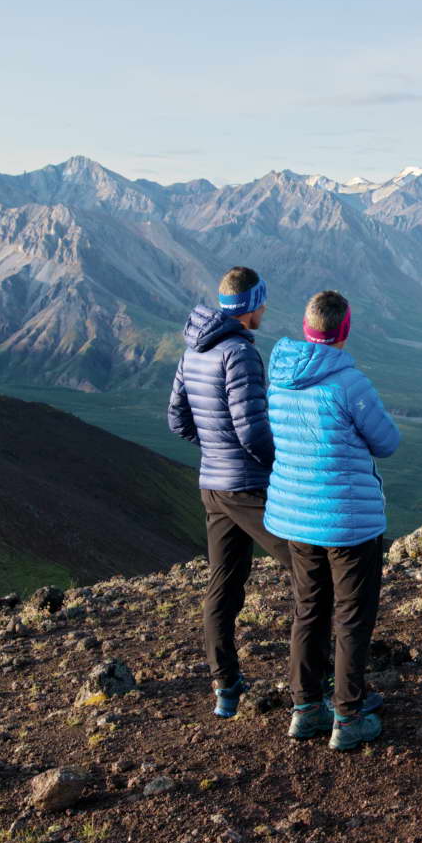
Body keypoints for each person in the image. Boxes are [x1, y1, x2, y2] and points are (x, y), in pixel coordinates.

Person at [264, 290, 400, 751]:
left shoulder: (279, 378)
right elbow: (386, 442)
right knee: (352, 617)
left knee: (309, 611)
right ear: (343, 331)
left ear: (306, 328)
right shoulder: (349, 383)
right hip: (348, 522)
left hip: (295, 517)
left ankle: (306, 711)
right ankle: (348, 715)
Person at [166, 265, 289, 719]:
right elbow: (253, 431)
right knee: (311, 573)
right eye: (262, 301)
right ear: (252, 306)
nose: (265, 309)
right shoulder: (239, 353)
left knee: (224, 584)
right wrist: (282, 468)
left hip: (212, 486)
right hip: (247, 487)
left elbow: (178, 421)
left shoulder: (192, 351)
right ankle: (319, 682)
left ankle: (226, 687)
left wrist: (215, 451)